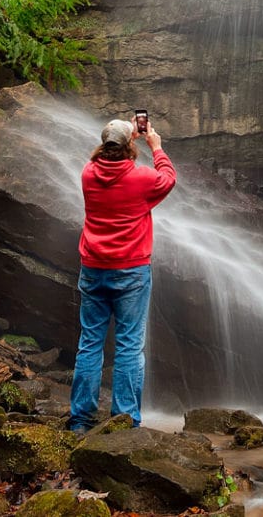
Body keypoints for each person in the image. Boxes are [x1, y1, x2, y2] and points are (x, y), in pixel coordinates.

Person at [68, 116, 176, 434]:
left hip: (93, 269)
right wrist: (154, 146)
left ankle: (80, 419)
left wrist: (126, 134)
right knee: (129, 346)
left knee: (90, 344)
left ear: (103, 145)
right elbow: (168, 178)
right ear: (130, 145)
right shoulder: (141, 179)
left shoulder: (88, 174)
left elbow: (111, 158)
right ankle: (125, 419)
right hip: (130, 271)